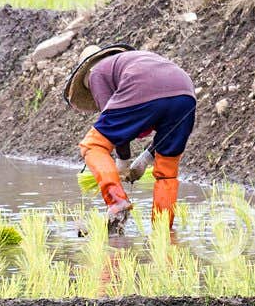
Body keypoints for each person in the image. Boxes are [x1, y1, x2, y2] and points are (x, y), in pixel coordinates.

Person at [66, 44, 196, 231]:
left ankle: (117, 201)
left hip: (142, 85)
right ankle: (162, 233)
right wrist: (144, 159)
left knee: (92, 145)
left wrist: (123, 163)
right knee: (167, 171)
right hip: (185, 91)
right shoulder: (134, 61)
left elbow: (115, 132)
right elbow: (165, 128)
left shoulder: (96, 73)